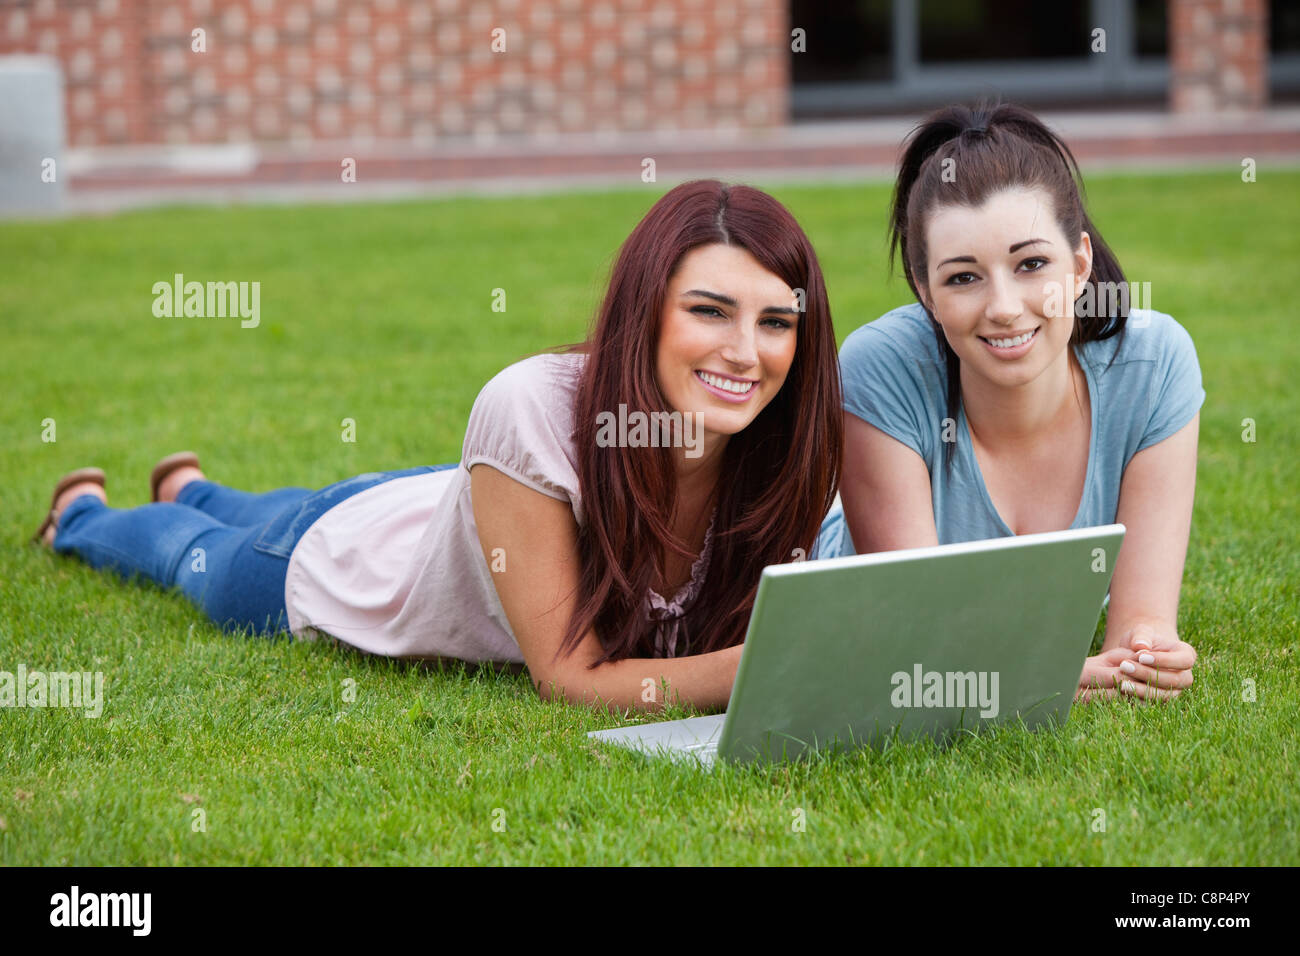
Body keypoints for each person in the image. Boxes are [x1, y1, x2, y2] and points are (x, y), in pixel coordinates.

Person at [33, 180, 843, 714]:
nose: (746, 352)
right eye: (710, 311)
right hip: (339, 561)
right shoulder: (531, 407)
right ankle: (83, 516)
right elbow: (570, 679)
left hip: (439, 503)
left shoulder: (794, 441)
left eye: (776, 322)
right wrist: (766, 664)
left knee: (263, 506)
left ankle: (193, 482)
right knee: (200, 554)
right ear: (645, 312)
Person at [814, 103, 1203, 703]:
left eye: (1032, 265)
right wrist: (1048, 678)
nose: (1003, 307)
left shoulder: (1154, 366)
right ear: (926, 292)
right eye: (963, 278)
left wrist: (1147, 654)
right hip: (846, 581)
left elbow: (1139, 632)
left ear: (1079, 266)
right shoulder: (879, 367)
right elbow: (916, 648)